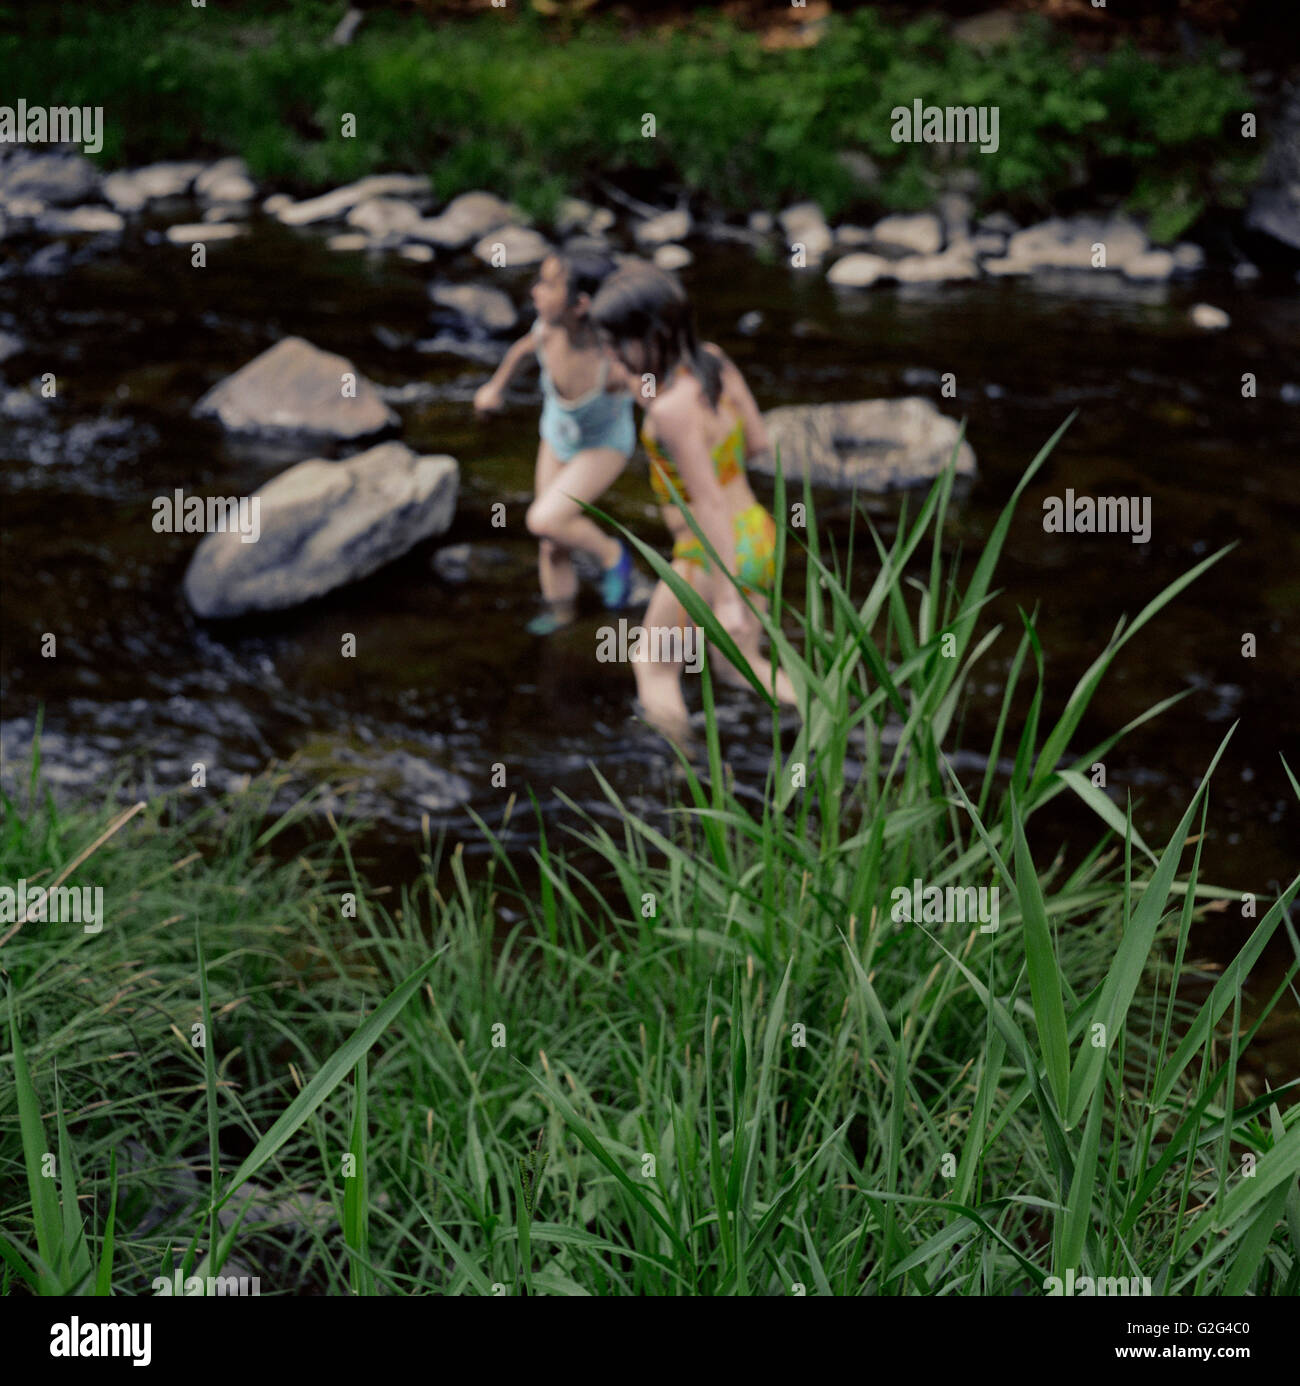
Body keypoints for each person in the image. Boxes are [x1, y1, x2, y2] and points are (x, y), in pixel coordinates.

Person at [589, 261, 797, 738]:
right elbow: (760, 443)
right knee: (738, 664)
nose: (608, 352)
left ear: (652, 334)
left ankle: (684, 782)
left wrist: (725, 597)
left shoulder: (669, 409)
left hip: (709, 554)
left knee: (651, 663)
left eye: (616, 341)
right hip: (758, 535)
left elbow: (706, 503)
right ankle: (830, 717)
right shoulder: (714, 362)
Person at [474, 246, 637, 635]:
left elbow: (651, 385)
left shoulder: (610, 361)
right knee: (550, 540)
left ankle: (613, 555)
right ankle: (563, 615)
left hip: (603, 445)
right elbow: (520, 353)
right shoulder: (546, 332)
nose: (535, 292)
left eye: (548, 285)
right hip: (557, 435)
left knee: (544, 519)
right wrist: (495, 387)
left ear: (580, 304)